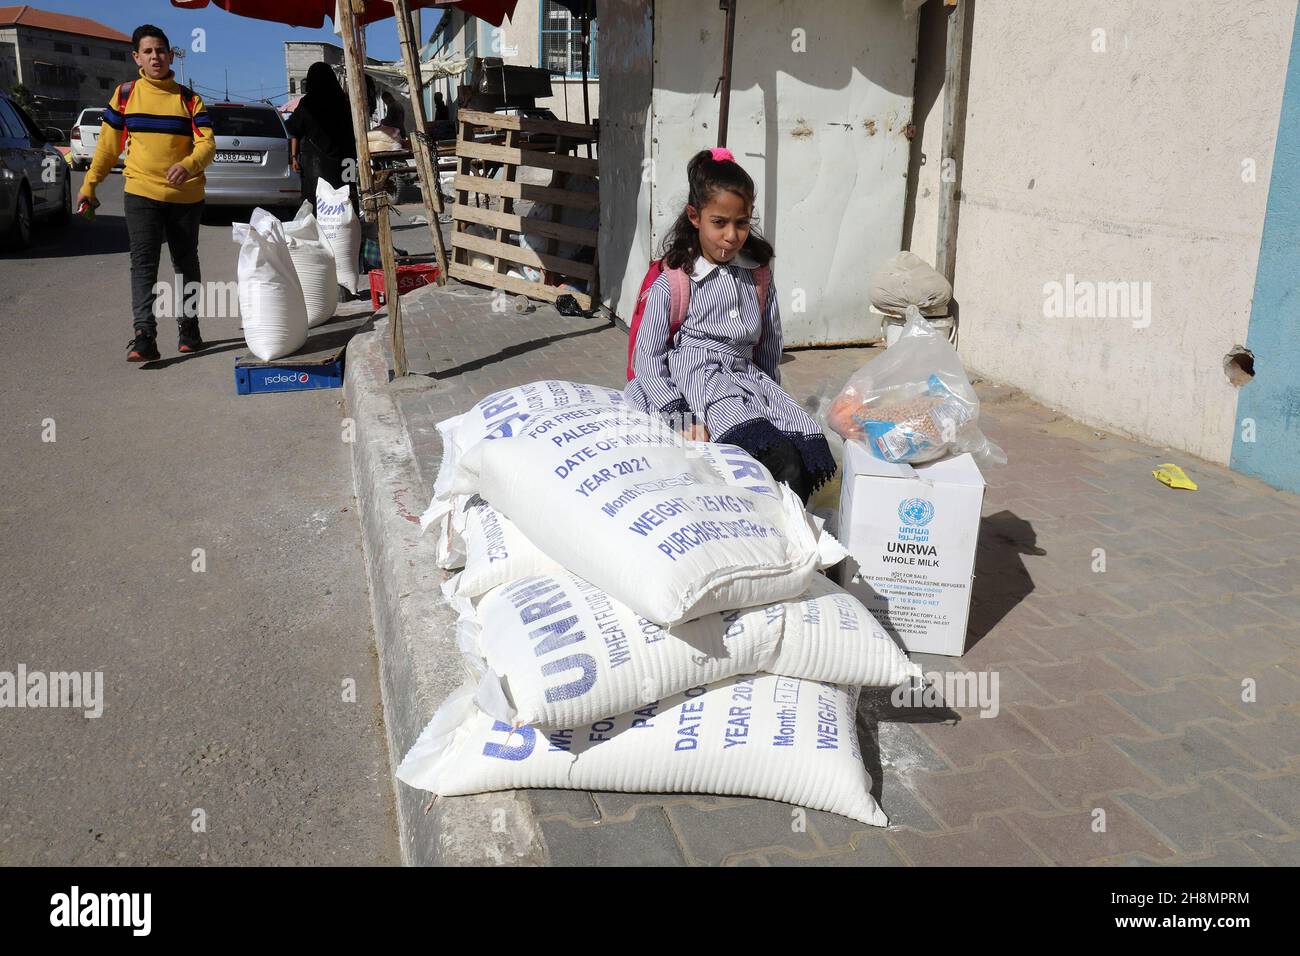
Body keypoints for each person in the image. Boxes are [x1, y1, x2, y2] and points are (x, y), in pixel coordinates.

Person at [625, 147, 836, 504]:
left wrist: (773, 398)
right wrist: (679, 417)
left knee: (804, 440)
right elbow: (647, 359)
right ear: (695, 216)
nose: (730, 235)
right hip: (698, 383)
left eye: (741, 223)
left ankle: (793, 537)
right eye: (719, 222)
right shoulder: (675, 282)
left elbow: (769, 346)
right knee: (780, 461)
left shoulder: (758, 277)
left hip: (749, 382)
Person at [78, 23, 215, 362]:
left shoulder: (189, 99)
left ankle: (189, 329)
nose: (156, 56)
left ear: (169, 54)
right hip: (140, 193)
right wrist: (88, 185)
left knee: (185, 264)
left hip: (185, 197)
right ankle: (144, 335)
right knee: (143, 264)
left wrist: (189, 164)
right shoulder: (125, 95)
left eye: (161, 51)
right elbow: (108, 149)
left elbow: (208, 144)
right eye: (149, 51)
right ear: (137, 56)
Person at [286, 62, 357, 209]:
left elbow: (293, 128)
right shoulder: (344, 102)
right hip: (346, 161)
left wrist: (293, 157)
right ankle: (351, 227)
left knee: (318, 202)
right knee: (347, 196)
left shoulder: (307, 103)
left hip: (315, 164)